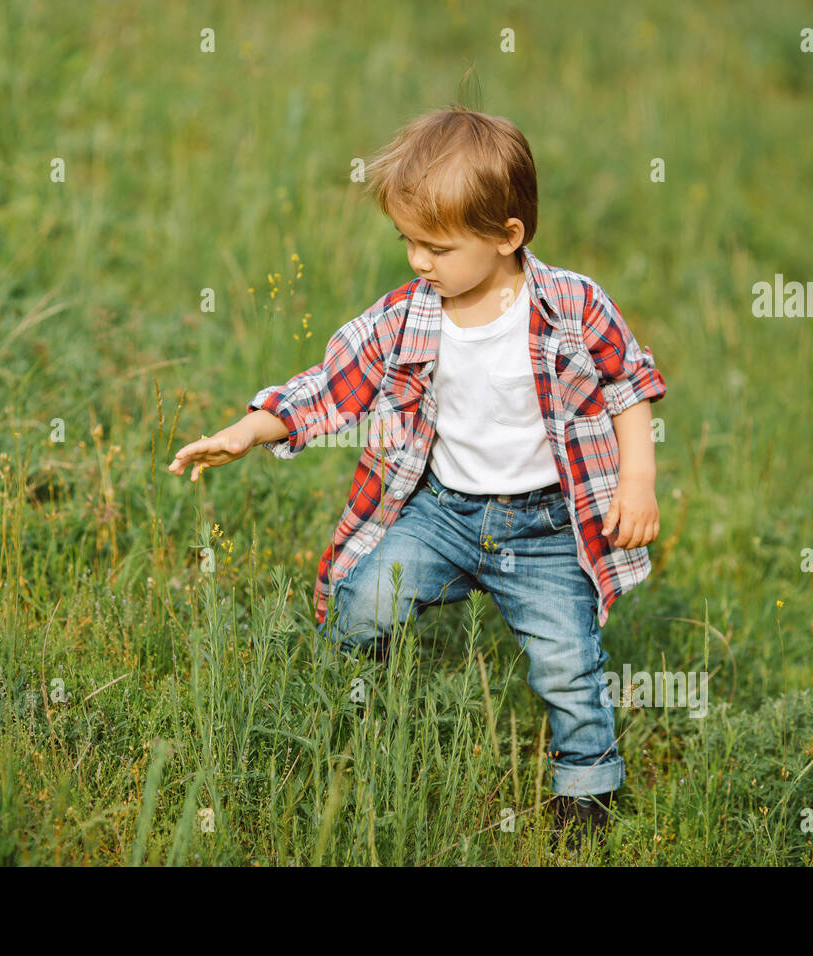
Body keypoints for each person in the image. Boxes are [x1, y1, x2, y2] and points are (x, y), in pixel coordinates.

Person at [167, 105, 667, 854]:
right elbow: (330, 386)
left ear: (508, 237)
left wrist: (638, 483)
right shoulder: (408, 318)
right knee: (363, 602)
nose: (417, 262)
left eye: (435, 245)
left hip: (545, 530)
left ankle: (586, 790)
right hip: (442, 512)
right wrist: (247, 429)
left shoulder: (571, 306)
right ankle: (351, 707)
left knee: (567, 663)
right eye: (407, 241)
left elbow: (628, 385)